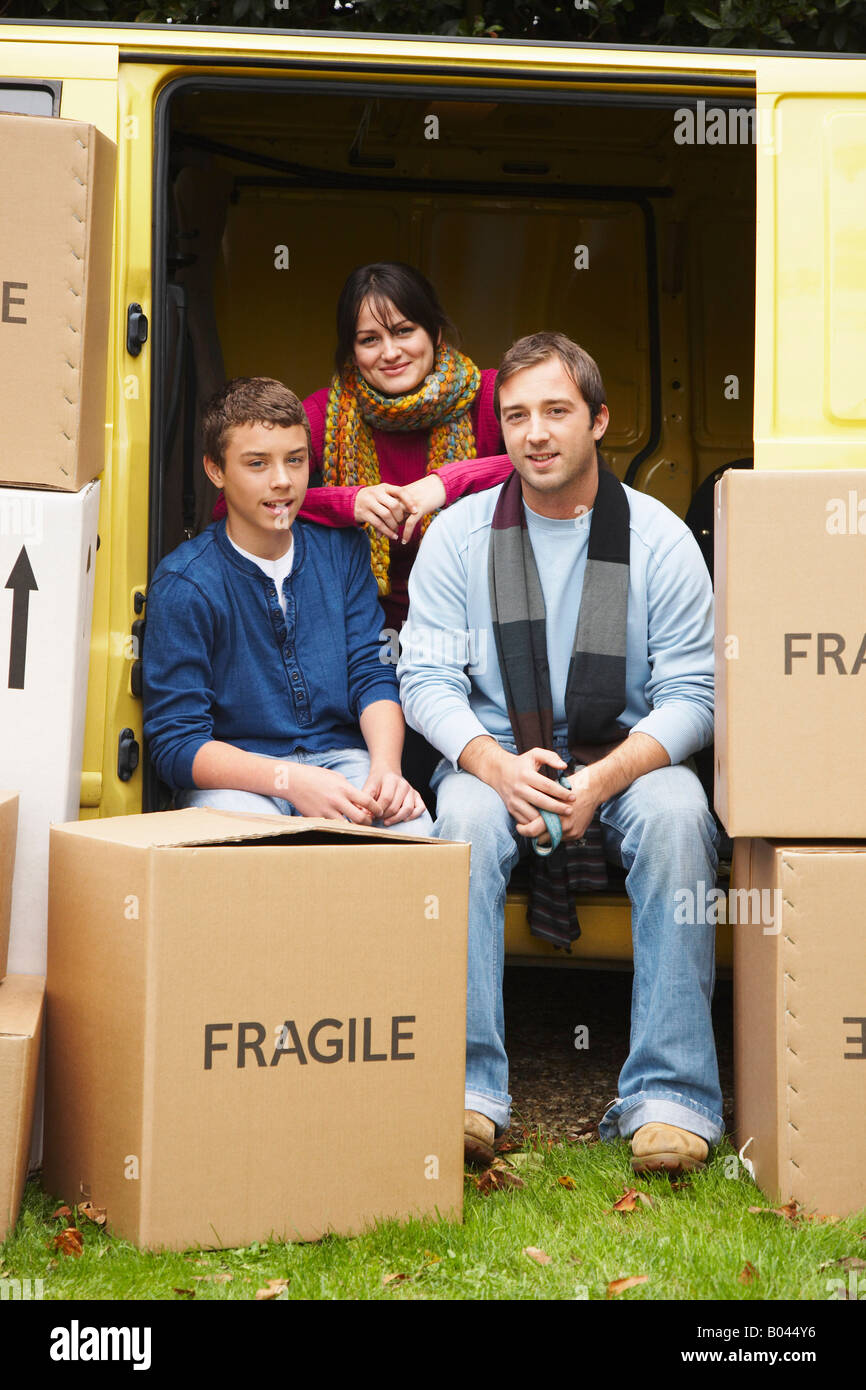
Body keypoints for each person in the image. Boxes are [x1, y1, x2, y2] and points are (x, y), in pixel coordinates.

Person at [398, 332, 722, 1175]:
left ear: (599, 419)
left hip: (625, 756)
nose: (534, 433)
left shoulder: (659, 540)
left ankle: (671, 1098)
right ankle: (466, 1093)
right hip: (497, 755)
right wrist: (493, 764)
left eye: (555, 411)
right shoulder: (459, 537)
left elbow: (696, 694)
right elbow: (425, 678)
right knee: (461, 818)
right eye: (515, 416)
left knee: (683, 813)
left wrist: (606, 777)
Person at [211, 263, 512, 799]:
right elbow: (231, 503)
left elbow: (551, 461)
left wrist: (446, 484)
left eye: (403, 331)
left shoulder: (488, 397)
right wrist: (347, 502)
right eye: (369, 339)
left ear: (434, 334)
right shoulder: (327, 414)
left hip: (478, 627)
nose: (390, 352)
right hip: (374, 635)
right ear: (352, 352)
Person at [143, 376, 433, 835]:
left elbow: (371, 671)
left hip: (346, 763)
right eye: (257, 463)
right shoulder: (185, 582)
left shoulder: (343, 551)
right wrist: (290, 780)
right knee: (246, 849)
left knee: (414, 835)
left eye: (295, 461)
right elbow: (175, 743)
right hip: (238, 776)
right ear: (216, 471)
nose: (282, 481)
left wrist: (387, 770)